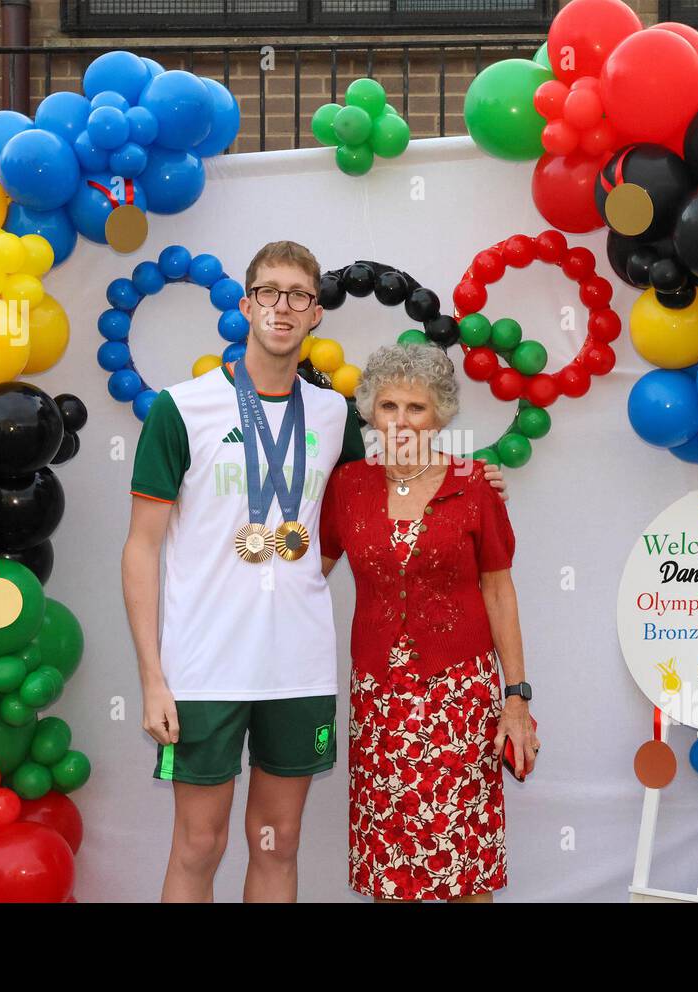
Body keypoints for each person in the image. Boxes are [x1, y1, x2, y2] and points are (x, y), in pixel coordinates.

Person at [122, 241, 505, 903]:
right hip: (202, 667)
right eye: (268, 292)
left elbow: (385, 495)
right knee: (197, 844)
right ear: (246, 306)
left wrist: (469, 472)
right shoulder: (179, 409)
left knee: (280, 841)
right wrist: (152, 677)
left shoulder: (333, 415)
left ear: (315, 315)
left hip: (297, 667)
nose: (283, 307)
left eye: (299, 295)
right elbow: (140, 549)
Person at [320, 344, 539, 903]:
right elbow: (307, 575)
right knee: (392, 864)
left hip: (460, 700)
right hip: (380, 702)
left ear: (440, 413)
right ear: (369, 411)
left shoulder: (474, 486)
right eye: (388, 405)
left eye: (415, 407)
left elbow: (498, 590)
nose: (400, 420)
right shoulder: (346, 486)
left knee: (464, 864)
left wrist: (516, 698)